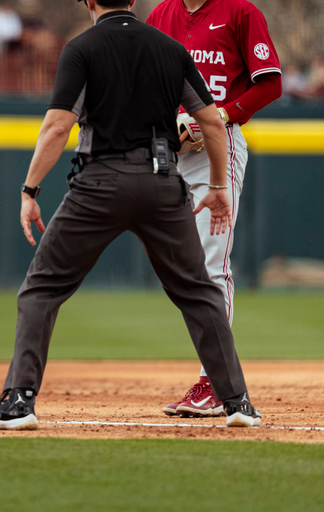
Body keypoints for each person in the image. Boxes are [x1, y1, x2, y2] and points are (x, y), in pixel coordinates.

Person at [0, 0, 261, 430]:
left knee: (42, 289)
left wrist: (30, 189)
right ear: (132, 0)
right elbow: (213, 123)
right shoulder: (170, 48)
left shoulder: (82, 47)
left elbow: (57, 126)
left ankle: (19, 401)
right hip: (164, 183)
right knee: (198, 291)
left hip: (101, 182)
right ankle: (237, 403)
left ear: (90, 2)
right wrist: (219, 185)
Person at [147, 0, 282, 418]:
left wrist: (218, 115)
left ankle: (215, 382)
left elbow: (270, 83)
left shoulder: (241, 12)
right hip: (171, 150)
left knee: (210, 264)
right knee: (179, 266)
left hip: (217, 150)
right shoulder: (162, 15)